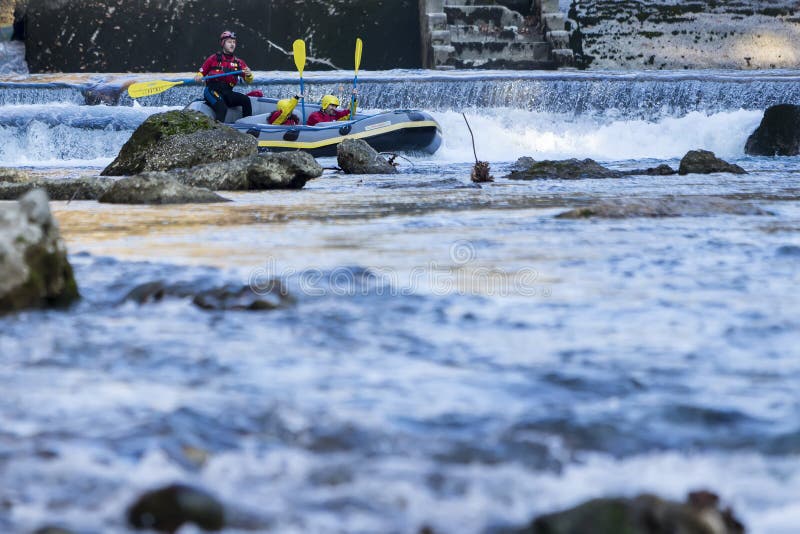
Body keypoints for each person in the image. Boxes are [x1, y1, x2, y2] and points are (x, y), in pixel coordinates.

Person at [194, 30, 255, 122]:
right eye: (229, 42)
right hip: (212, 90)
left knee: (246, 100)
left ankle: (247, 125)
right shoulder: (213, 58)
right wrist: (198, 77)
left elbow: (249, 80)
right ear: (223, 43)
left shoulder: (239, 62)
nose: (232, 44)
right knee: (222, 108)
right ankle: (217, 130)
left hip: (227, 92)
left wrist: (249, 75)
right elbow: (201, 73)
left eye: (234, 42)